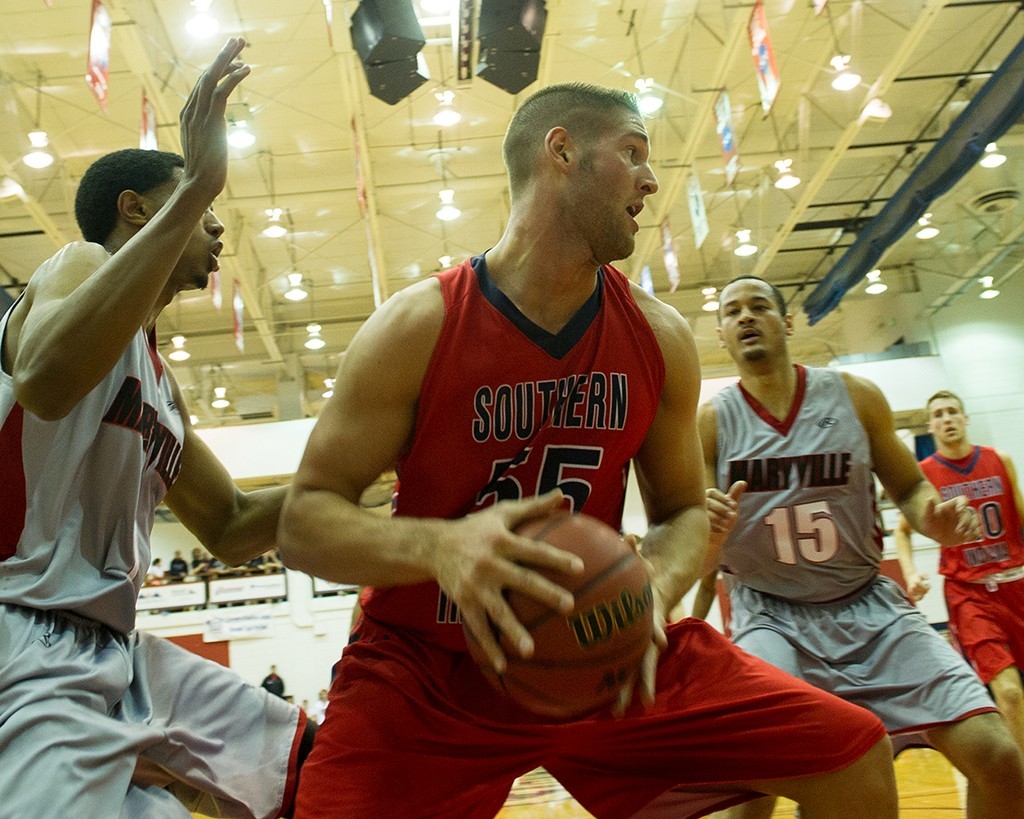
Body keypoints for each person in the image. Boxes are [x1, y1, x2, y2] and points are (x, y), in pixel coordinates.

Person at [278, 82, 898, 818]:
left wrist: (650, 599)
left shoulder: (659, 335)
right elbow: (303, 520)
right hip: (426, 669)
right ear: (562, 151)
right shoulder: (417, 325)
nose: (651, 177)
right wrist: (441, 547)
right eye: (632, 152)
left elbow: (678, 512)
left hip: (602, 646)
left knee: (853, 754)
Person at [0, 39, 312, 818]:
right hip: (22, 634)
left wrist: (387, 479)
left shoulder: (160, 384)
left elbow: (235, 524)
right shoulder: (73, 267)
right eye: (202, 213)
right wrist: (198, 179)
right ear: (135, 207)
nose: (216, 234)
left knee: (311, 770)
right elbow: (44, 378)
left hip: (117, 650)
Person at [697, 275, 1024, 818]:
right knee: (762, 775)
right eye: (733, 312)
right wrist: (706, 539)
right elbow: (698, 551)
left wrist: (932, 521)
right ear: (722, 333)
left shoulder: (855, 396)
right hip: (771, 617)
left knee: (1002, 760)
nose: (746, 317)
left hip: (869, 606)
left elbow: (912, 488)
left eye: (760, 306)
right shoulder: (710, 423)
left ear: (788, 321)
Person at [894, 390, 1024, 753]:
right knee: (1009, 693)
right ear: (931, 425)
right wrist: (911, 573)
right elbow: (902, 534)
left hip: (1017, 584)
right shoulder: (924, 475)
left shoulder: (1001, 460)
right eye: (938, 414)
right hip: (969, 593)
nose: (947, 418)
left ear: (965, 418)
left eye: (953, 411)